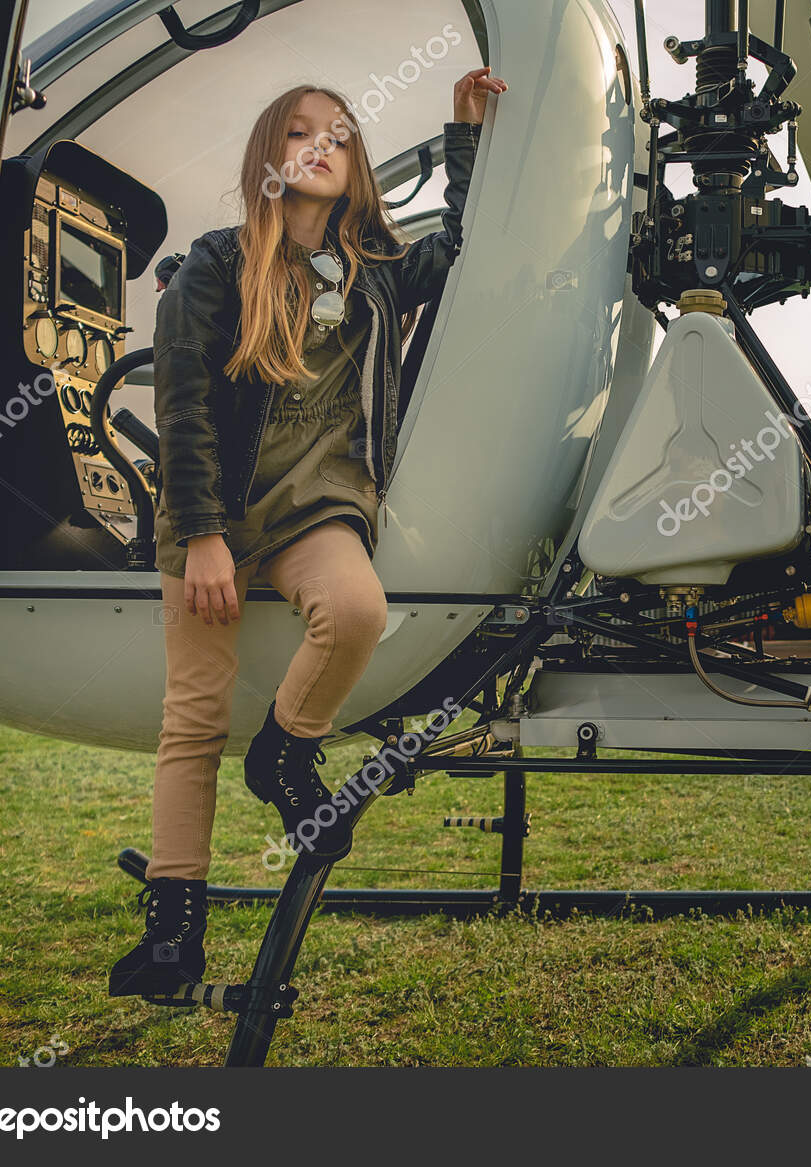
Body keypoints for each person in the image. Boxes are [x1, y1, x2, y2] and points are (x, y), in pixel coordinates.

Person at [109, 68, 507, 1002]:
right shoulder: (214, 266)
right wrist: (202, 535)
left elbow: (466, 241)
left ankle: (285, 752)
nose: (321, 144)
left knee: (356, 609)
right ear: (269, 156)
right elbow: (184, 408)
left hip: (316, 510)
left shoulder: (376, 271)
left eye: (338, 133)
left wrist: (466, 132)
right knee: (192, 721)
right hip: (216, 511)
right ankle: (173, 932)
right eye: (299, 131)